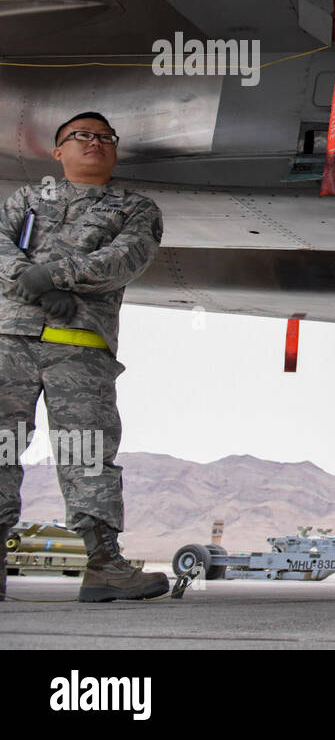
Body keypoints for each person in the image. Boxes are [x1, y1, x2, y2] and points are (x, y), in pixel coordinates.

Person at [0, 112, 168, 602]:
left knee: (87, 453)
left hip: (80, 349)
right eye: (81, 136)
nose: (94, 143)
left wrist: (55, 278)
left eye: (105, 138)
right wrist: (32, 285)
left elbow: (125, 259)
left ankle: (103, 565)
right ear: (57, 152)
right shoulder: (28, 199)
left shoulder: (135, 208)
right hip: (10, 340)